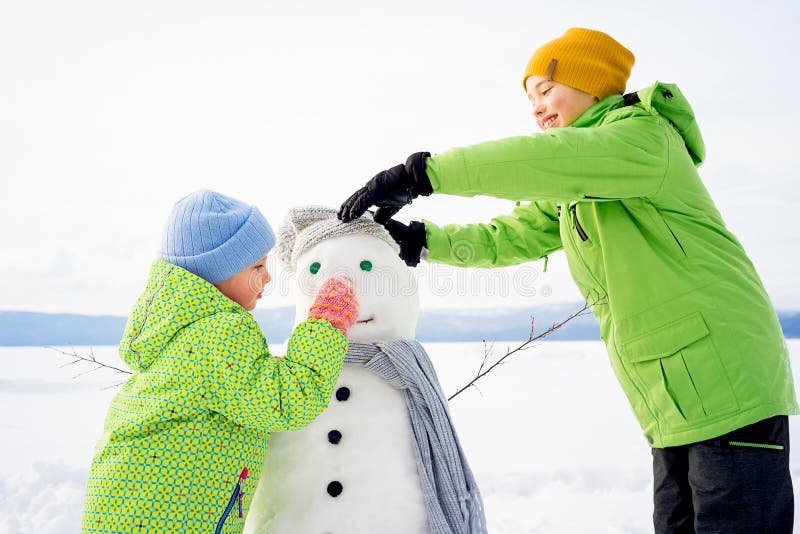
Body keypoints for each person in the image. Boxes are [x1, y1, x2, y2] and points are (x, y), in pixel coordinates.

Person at [338, 28, 797, 533]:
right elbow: (512, 233)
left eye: (545, 90)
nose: (536, 107)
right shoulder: (582, 181)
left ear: (593, 85)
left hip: (724, 378)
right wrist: (425, 240)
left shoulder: (641, 138)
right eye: (528, 99)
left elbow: (545, 159)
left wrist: (423, 174)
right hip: (673, 396)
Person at [82, 189, 359, 533]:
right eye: (257, 266)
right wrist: (324, 327)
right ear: (216, 275)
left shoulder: (183, 326)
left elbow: (234, 384)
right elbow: (287, 400)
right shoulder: (220, 330)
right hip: (167, 518)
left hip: (129, 505)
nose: (268, 277)